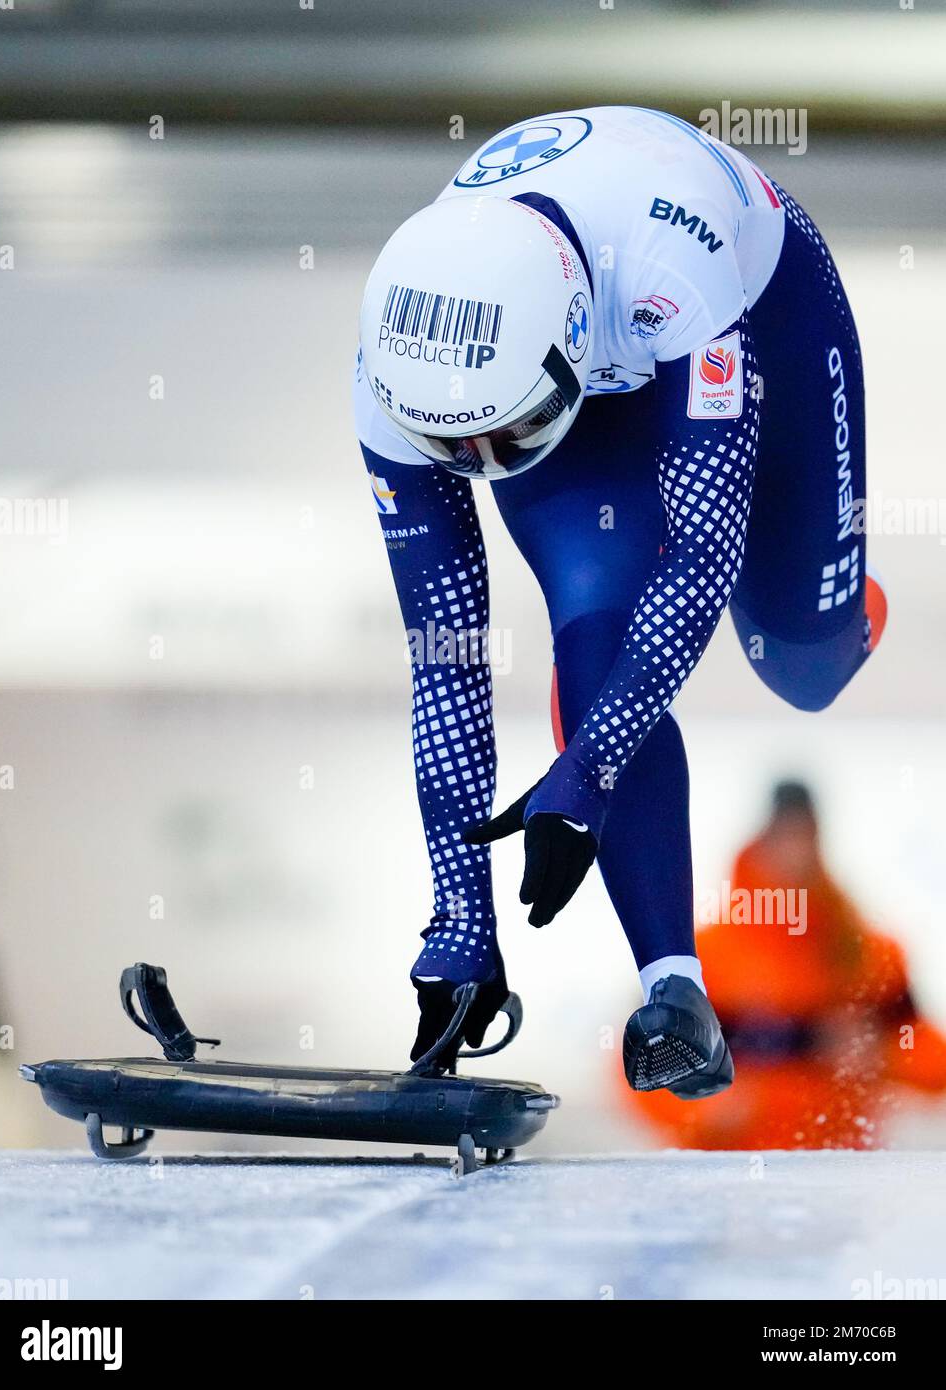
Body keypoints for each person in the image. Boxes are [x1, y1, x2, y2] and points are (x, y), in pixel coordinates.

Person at [354, 107, 886, 1093]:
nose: (479, 469)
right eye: (456, 457)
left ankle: (839, 611)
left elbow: (702, 555)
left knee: (803, 659)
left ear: (562, 347)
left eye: (502, 442)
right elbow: (447, 655)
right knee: (593, 647)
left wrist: (587, 774)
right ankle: (673, 993)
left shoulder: (668, 251)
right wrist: (460, 921)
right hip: (588, 394)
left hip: (747, 302)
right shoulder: (395, 386)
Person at [624, 782, 946, 1146]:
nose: (795, 853)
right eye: (785, 836)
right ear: (761, 840)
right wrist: (704, 1112)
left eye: (804, 836)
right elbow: (641, 1067)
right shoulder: (700, 960)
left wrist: (882, 1054)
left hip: (840, 1175)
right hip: (730, 1180)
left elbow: (932, 1060)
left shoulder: (868, 954)